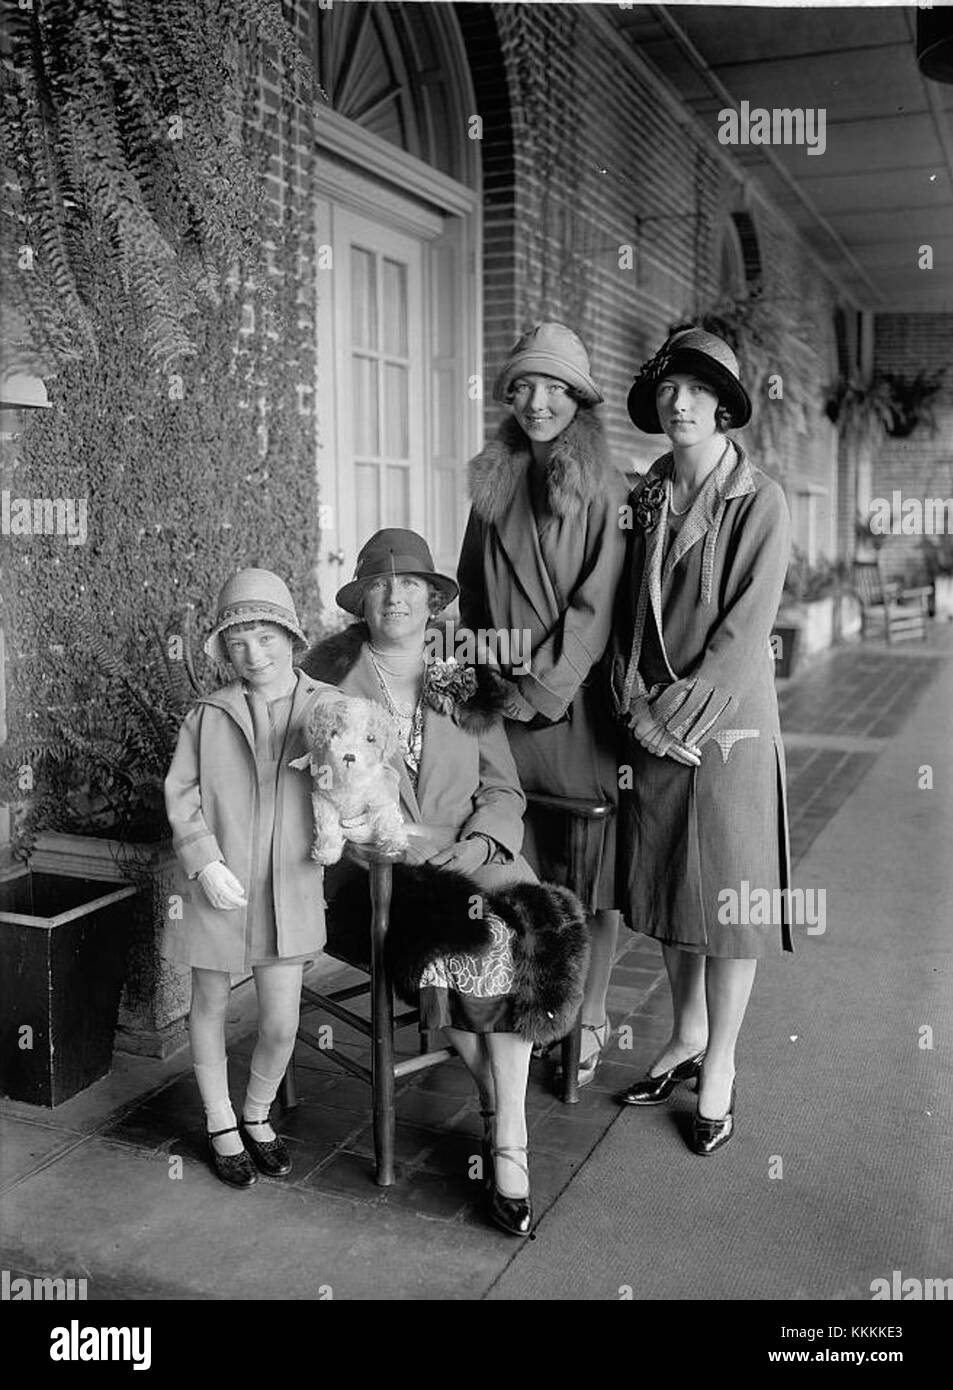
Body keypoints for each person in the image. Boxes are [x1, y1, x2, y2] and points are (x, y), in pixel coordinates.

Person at [302, 529, 588, 1237]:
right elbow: (312, 793)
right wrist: (379, 842)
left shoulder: (460, 679)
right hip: (374, 870)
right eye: (379, 583)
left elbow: (503, 787)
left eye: (410, 584)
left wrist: (482, 841)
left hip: (471, 851)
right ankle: (506, 1126)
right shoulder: (327, 686)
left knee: (523, 924)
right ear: (360, 600)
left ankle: (504, 1119)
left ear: (432, 600)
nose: (395, 596)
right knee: (473, 937)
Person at [610, 326, 793, 1154]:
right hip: (650, 722)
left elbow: (744, 633)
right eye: (667, 388)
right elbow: (623, 614)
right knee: (667, 890)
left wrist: (673, 718)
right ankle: (685, 1036)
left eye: (695, 389)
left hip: (726, 728)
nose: (678, 402)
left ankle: (720, 1063)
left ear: (722, 404)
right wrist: (635, 709)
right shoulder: (644, 495)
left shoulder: (760, 500)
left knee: (727, 898)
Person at [457, 322, 628, 1087]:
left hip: (574, 705)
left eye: (554, 387)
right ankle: (525, 1013)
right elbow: (469, 592)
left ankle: (589, 1014)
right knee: (516, 867)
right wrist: (477, 680)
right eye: (524, 386)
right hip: (501, 709)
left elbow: (597, 607)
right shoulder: (492, 483)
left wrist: (538, 689)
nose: (536, 402)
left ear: (578, 399)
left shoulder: (604, 486)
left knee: (588, 872)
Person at [162, 569, 331, 1189]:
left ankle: (257, 1114)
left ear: (290, 638)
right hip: (220, 886)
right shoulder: (207, 716)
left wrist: (346, 823)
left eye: (265, 638)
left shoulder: (328, 708)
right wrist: (203, 861)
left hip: (288, 888)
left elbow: (364, 772)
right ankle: (220, 1122)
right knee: (208, 1003)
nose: (253, 655)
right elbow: (182, 793)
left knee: (281, 1023)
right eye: (237, 643)